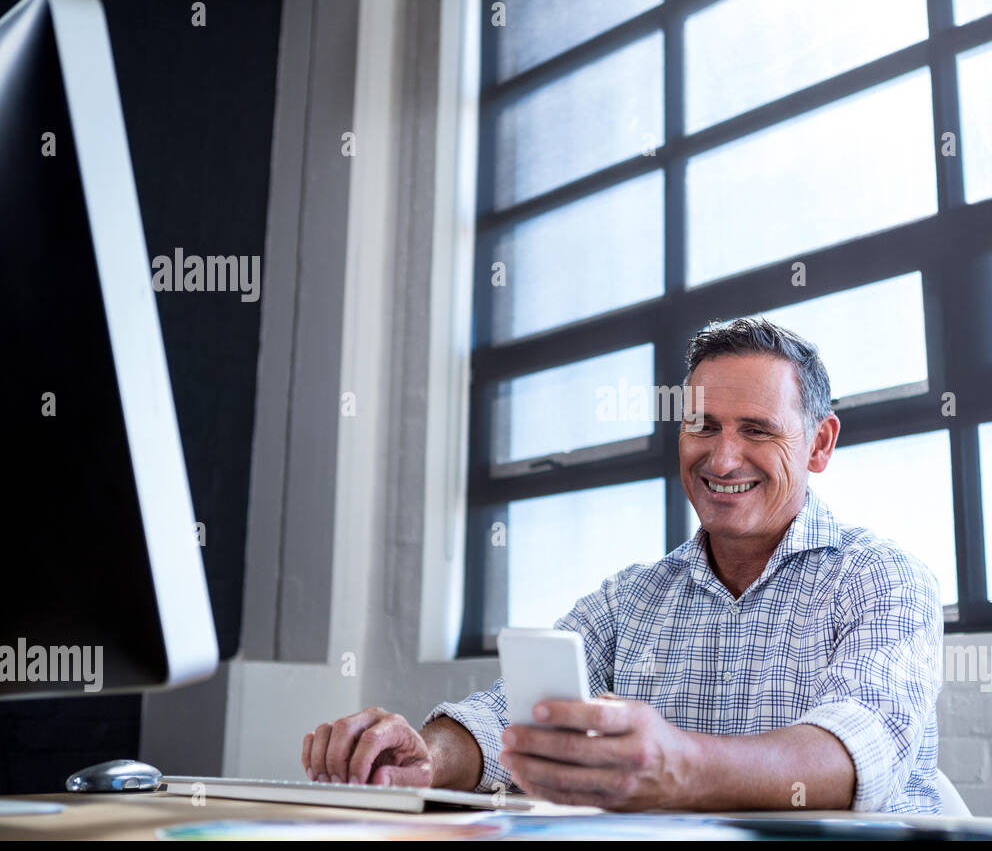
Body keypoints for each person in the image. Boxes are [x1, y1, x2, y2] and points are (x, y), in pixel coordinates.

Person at [302, 318, 944, 812]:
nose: (722, 459)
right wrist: (428, 757)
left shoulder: (882, 579)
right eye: (703, 425)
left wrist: (680, 765)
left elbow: (857, 751)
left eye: (757, 430)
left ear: (820, 444)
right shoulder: (631, 598)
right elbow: (516, 716)